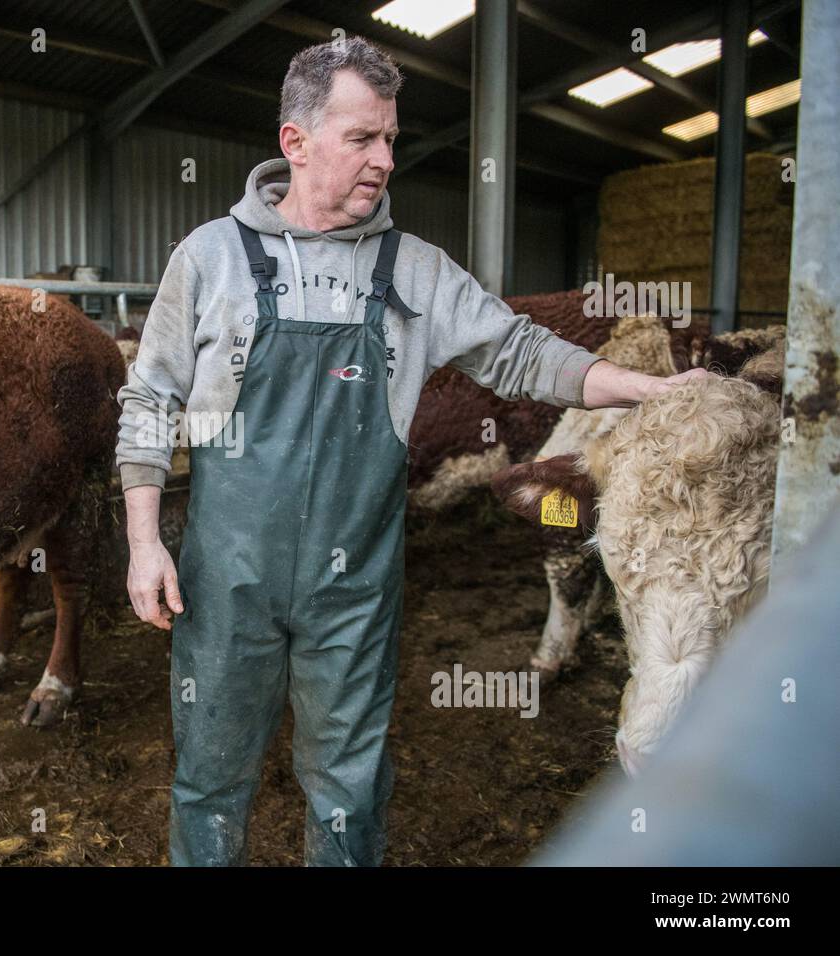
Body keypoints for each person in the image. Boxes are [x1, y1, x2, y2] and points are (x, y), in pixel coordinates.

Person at [115, 35, 709, 867]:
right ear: (297, 142)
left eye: (391, 138)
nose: (385, 159)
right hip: (226, 584)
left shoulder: (414, 271)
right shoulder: (212, 259)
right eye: (363, 139)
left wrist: (644, 388)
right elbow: (148, 398)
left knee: (351, 789)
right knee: (210, 782)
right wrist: (145, 543)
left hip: (353, 591)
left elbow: (524, 353)